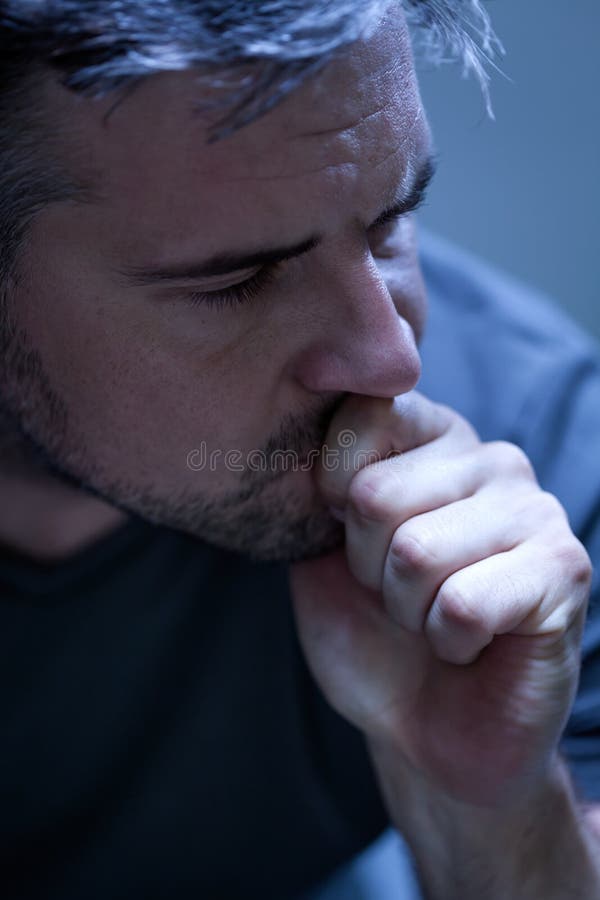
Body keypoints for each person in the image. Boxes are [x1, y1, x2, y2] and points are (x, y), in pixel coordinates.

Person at [1, 2, 599, 898]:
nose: (393, 360)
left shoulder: (528, 477)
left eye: (391, 222)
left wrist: (489, 815)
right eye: (236, 282)